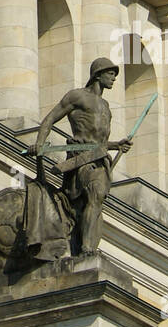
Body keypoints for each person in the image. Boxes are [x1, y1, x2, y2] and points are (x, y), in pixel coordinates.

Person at [27, 57, 132, 256]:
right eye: (110, 74)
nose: (114, 79)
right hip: (81, 158)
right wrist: (40, 143)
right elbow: (50, 118)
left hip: (100, 160)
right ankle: (87, 249)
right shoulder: (77, 97)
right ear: (98, 75)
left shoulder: (106, 106)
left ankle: (83, 246)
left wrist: (116, 145)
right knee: (95, 195)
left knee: (93, 203)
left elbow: (98, 142)